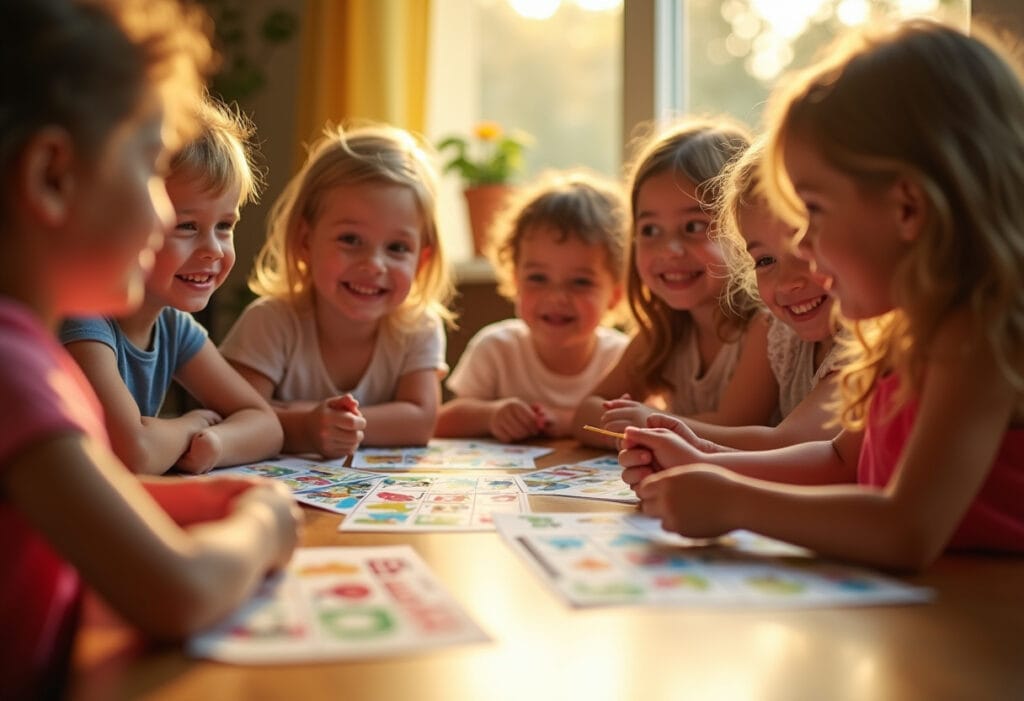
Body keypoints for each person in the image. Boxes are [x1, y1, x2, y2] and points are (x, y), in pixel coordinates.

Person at [620, 19, 1024, 571]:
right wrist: (704, 459)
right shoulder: (895, 336)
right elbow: (839, 461)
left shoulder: (978, 335)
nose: (805, 244)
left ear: (907, 207)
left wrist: (734, 503)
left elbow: (905, 530)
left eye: (814, 210)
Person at [0, 1, 301, 699]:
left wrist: (218, 493)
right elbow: (179, 592)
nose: (163, 214)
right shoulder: (14, 370)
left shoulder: (29, 353)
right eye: (147, 166)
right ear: (53, 176)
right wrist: (260, 525)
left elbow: (99, 497)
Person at [61, 96, 283, 474]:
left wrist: (215, 443)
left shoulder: (173, 327)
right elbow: (135, 452)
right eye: (186, 226)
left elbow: (266, 425)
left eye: (225, 226)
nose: (213, 249)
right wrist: (193, 424)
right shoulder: (84, 321)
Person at [221, 124, 454, 458]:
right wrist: (307, 428)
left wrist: (329, 422)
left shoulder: (419, 327)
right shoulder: (270, 322)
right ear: (305, 242)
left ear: (422, 259)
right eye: (350, 239)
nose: (374, 264)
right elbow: (234, 418)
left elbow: (420, 421)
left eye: (398, 247)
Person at [573, 118, 777, 449]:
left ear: (743, 228)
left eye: (694, 226)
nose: (669, 250)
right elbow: (585, 414)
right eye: (651, 230)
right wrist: (641, 431)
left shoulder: (765, 325)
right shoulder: (663, 332)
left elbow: (736, 427)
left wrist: (643, 426)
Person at [664, 138, 843, 452]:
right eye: (765, 260)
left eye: (803, 247)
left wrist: (660, 429)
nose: (787, 283)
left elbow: (789, 443)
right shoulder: (782, 336)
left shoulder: (863, 345)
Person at [436, 170, 629, 442]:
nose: (557, 297)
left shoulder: (621, 359)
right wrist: (491, 415)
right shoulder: (496, 347)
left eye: (580, 282)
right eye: (538, 278)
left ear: (615, 294)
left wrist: (567, 421)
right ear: (515, 281)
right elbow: (443, 422)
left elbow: (644, 426)